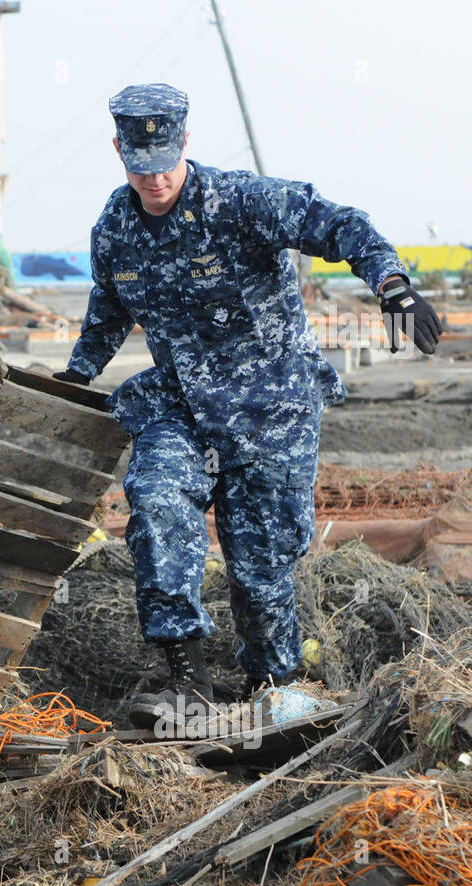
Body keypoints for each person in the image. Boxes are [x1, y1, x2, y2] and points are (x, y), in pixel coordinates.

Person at [53, 84, 441, 728]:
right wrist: (79, 370)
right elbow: (109, 302)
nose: (154, 179)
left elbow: (339, 223)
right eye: (139, 165)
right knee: (155, 497)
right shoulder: (116, 227)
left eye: (166, 163)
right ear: (119, 149)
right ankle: (185, 677)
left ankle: (273, 681)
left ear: (186, 144)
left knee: (260, 571)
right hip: (179, 407)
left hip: (272, 414)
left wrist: (392, 284)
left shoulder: (245, 201)